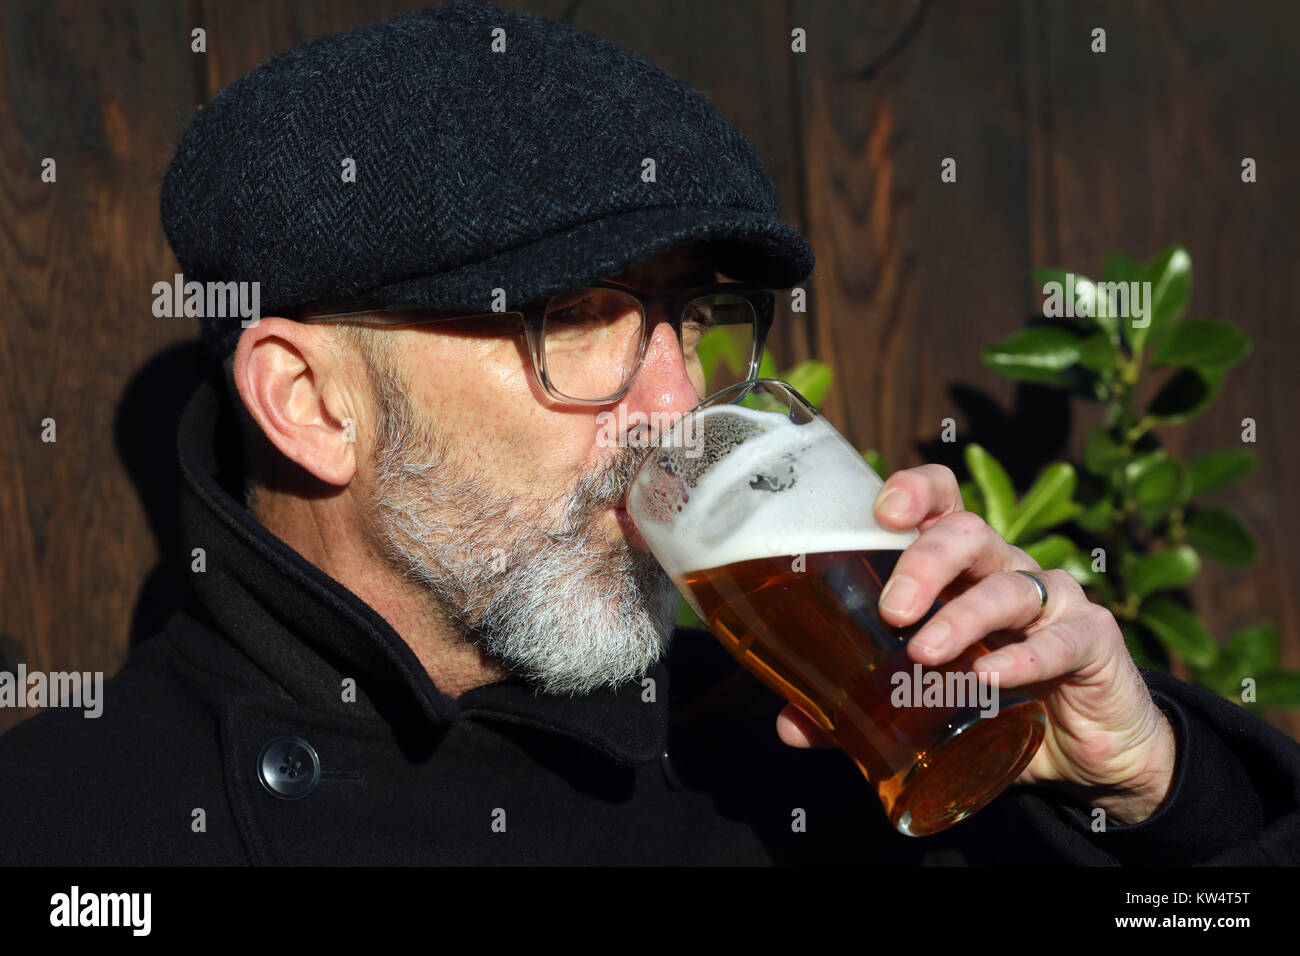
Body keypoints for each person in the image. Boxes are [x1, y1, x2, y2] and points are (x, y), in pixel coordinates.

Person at [2, 0, 1298, 866]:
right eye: (577, 318)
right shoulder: (72, 832)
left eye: (693, 320)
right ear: (312, 403)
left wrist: (1159, 792)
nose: (677, 405)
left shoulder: (792, 755)